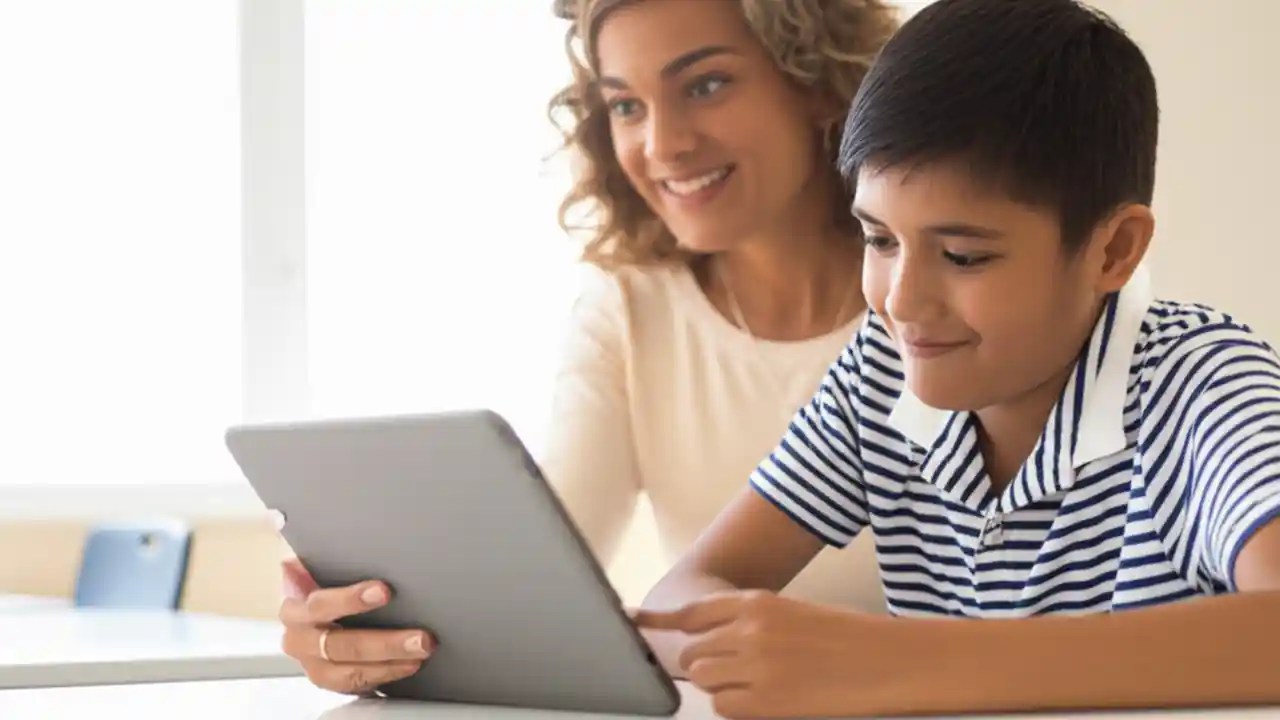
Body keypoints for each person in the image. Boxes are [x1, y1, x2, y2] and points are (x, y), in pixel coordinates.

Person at [628, 0, 1280, 717]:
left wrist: (889, 663)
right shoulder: (881, 374)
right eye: (878, 241)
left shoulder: (1204, 381)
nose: (901, 302)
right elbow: (678, 599)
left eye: (964, 256)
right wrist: (754, 642)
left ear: (1114, 250)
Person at [276, 0, 900, 696]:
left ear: (816, 82)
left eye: (705, 86)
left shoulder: (944, 304)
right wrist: (377, 634)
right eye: (627, 106)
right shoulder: (631, 311)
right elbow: (542, 573)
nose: (663, 146)